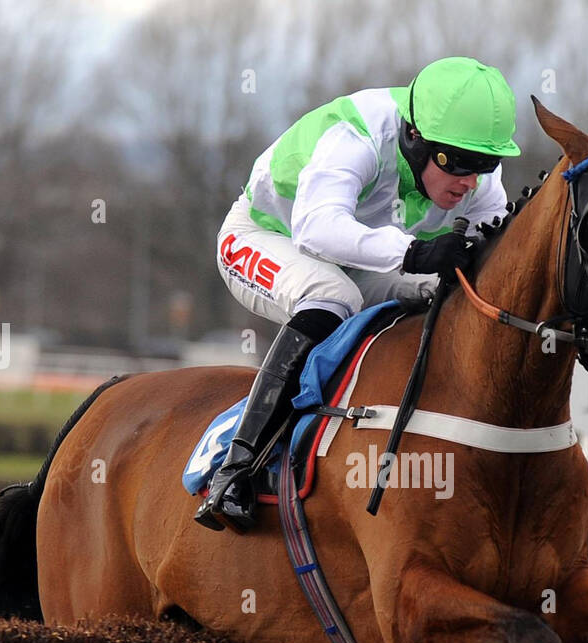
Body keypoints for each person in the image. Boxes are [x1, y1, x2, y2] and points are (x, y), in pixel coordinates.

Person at [196, 55, 520, 532]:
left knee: (443, 293)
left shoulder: (475, 175)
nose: (470, 181)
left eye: (486, 164)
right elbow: (315, 229)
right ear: (414, 137)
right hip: (267, 235)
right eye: (458, 163)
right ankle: (235, 468)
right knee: (333, 294)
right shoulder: (360, 134)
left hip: (357, 259)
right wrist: (416, 253)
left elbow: (491, 257)